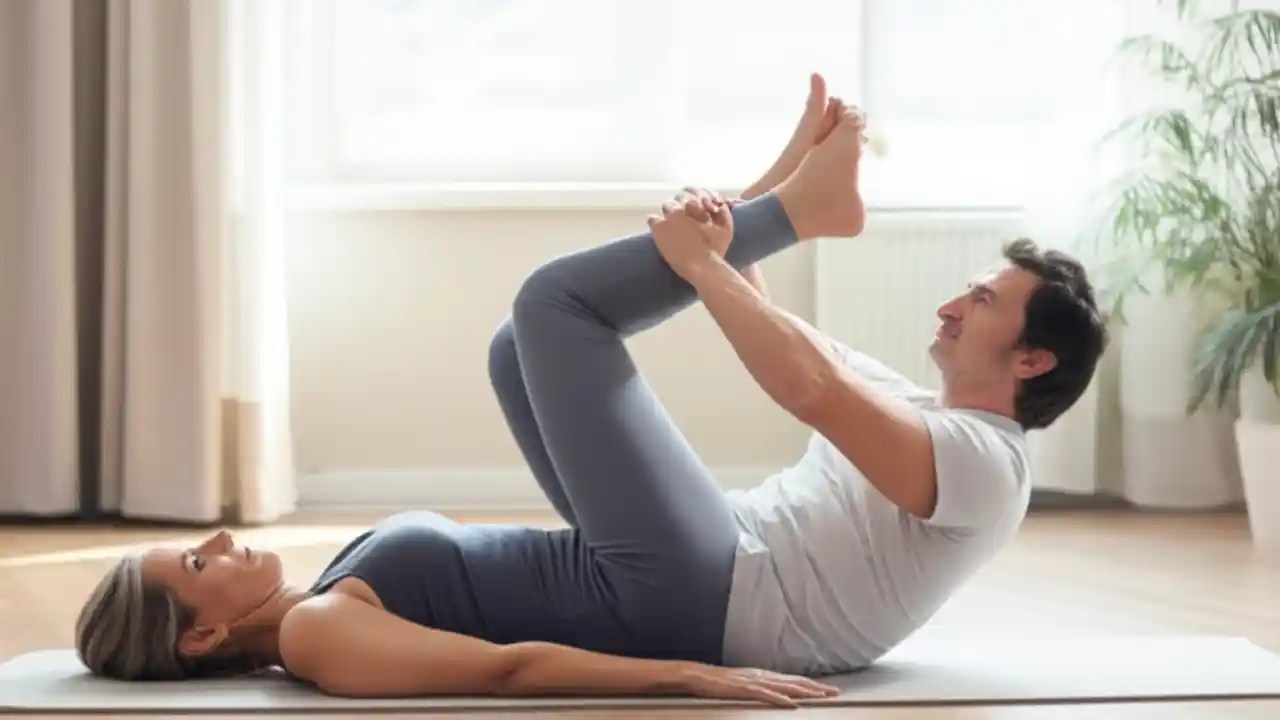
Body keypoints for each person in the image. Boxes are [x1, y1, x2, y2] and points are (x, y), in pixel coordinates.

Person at [74, 73, 1108, 704]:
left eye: (982, 301)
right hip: (704, 591)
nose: (218, 538)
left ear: (1032, 362)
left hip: (701, 579)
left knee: (526, 334)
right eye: (197, 564)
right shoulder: (312, 635)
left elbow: (797, 372)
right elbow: (507, 670)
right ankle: (805, 207)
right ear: (202, 636)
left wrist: (761, 204)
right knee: (544, 316)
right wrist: (687, 678)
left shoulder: (983, 465)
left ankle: (805, 207)